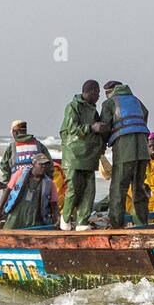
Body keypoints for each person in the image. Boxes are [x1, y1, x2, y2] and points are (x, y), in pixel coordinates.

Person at [99, 80, 150, 228]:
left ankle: (115, 224)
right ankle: (142, 224)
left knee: (118, 188)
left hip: (124, 150)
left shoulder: (109, 103)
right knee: (139, 188)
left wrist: (101, 147)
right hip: (142, 150)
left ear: (109, 92)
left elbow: (104, 127)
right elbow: (145, 114)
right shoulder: (136, 100)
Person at [59, 80, 106, 231]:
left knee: (89, 191)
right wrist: (92, 127)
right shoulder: (73, 107)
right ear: (90, 91)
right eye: (97, 92)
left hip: (89, 157)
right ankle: (65, 218)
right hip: (74, 157)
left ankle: (82, 222)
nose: (99, 96)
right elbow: (72, 128)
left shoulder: (94, 111)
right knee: (73, 189)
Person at [0, 153, 56, 229]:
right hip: (16, 216)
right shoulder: (20, 174)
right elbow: (7, 191)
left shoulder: (49, 183)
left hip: (35, 219)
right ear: (34, 163)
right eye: (41, 164)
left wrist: (57, 218)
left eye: (45, 164)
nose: (44, 166)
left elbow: (54, 204)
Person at [0, 120, 51, 186]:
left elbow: (4, 166)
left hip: (17, 185)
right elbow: (49, 164)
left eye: (13, 133)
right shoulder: (39, 145)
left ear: (16, 132)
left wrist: (6, 183)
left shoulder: (12, 147)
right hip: (37, 185)